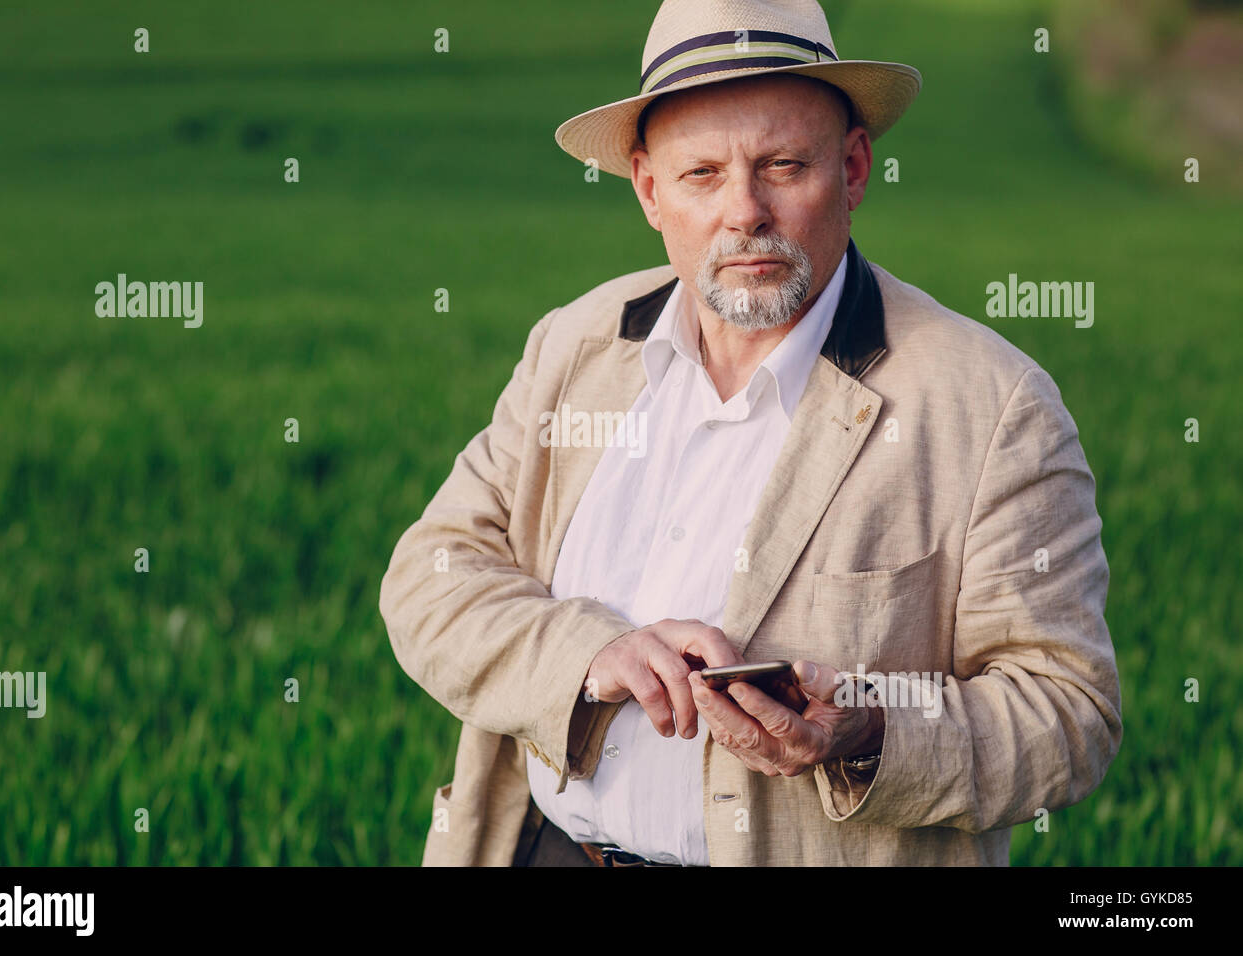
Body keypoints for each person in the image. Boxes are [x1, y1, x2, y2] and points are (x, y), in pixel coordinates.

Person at [378, 0, 1122, 866]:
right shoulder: (575, 346)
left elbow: (1068, 712)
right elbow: (429, 581)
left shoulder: (992, 406)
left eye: (783, 164)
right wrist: (594, 652)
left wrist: (868, 730)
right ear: (649, 190)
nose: (745, 212)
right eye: (701, 175)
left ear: (851, 169)